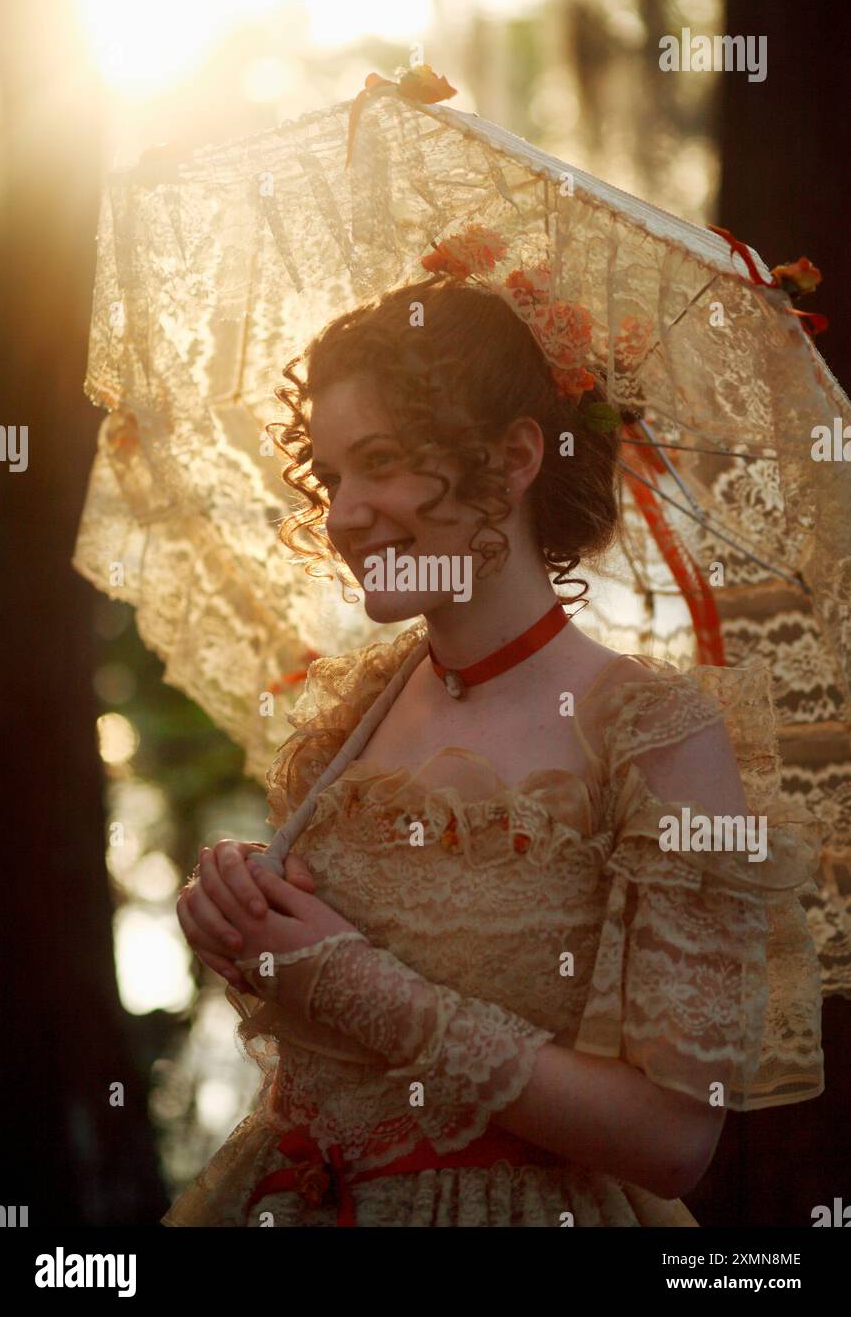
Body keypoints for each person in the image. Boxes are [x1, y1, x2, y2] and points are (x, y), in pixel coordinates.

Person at [164, 272, 823, 1227]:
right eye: (332, 472)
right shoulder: (352, 717)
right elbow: (314, 990)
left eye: (380, 460)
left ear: (514, 456)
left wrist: (353, 984)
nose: (344, 514)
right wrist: (242, 908)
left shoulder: (653, 737)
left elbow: (674, 1141)